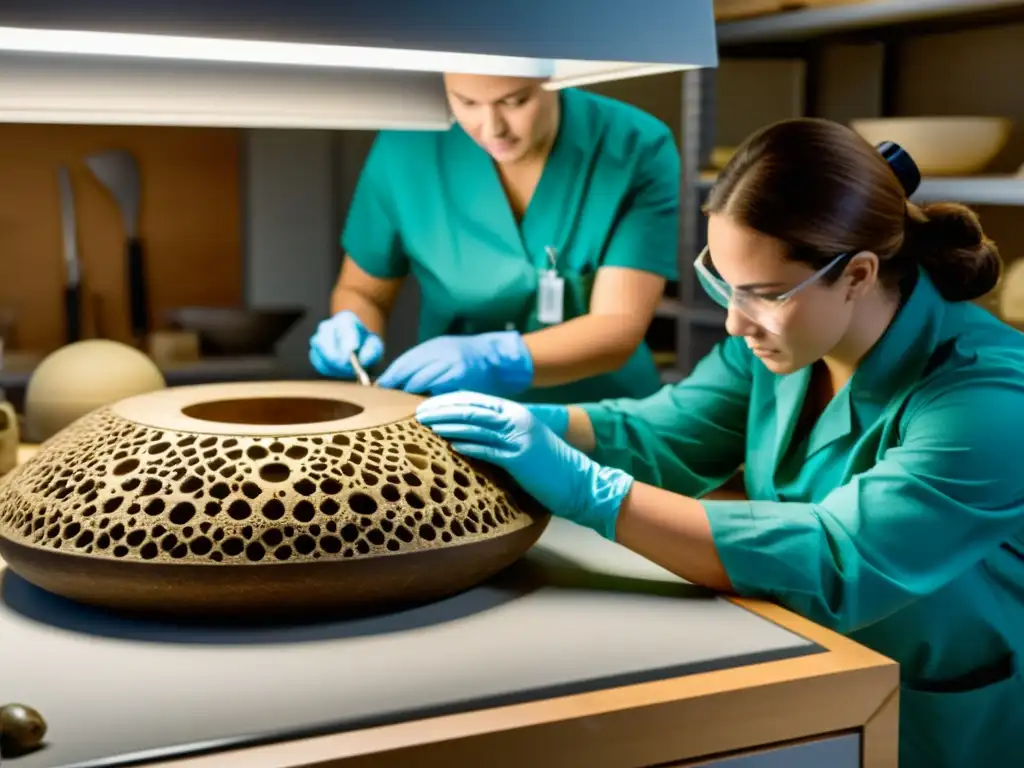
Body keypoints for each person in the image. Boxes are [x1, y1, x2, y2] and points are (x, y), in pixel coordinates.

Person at [414, 117, 1024, 768]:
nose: (735, 322)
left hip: (943, 719)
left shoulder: (987, 398)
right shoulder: (783, 343)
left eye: (763, 296)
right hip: (812, 667)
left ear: (857, 274)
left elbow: (837, 559)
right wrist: (541, 429)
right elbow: (669, 430)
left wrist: (594, 493)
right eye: (722, 285)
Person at [308, 73, 679, 403]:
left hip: (602, 421)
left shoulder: (634, 146)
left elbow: (617, 325)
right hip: (455, 418)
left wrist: (495, 358)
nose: (492, 128)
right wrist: (353, 330)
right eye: (466, 102)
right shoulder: (406, 148)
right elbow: (364, 291)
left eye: (515, 101)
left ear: (555, 77)